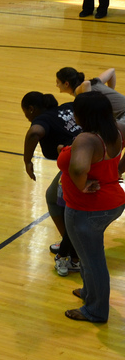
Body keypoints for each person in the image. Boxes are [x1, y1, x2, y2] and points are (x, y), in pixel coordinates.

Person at [58, 92, 125, 323]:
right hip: (112, 203)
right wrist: (120, 169)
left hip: (86, 210)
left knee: (92, 261)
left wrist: (82, 185)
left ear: (81, 115)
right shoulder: (117, 129)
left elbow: (78, 169)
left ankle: (95, 311)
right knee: (89, 254)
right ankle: (89, 293)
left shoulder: (86, 139)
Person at [20, 92, 82, 276]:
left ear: (31, 109)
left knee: (59, 201)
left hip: (78, 163)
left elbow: (34, 133)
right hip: (90, 154)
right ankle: (70, 244)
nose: (27, 117)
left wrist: (27, 161)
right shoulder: (68, 107)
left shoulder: (43, 119)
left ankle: (73, 249)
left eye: (25, 113)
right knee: (54, 197)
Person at [55, 67, 125, 125]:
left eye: (58, 82)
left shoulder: (78, 91)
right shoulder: (96, 81)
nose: (56, 85)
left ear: (66, 84)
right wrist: (110, 92)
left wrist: (88, 102)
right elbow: (111, 71)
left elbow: (86, 83)